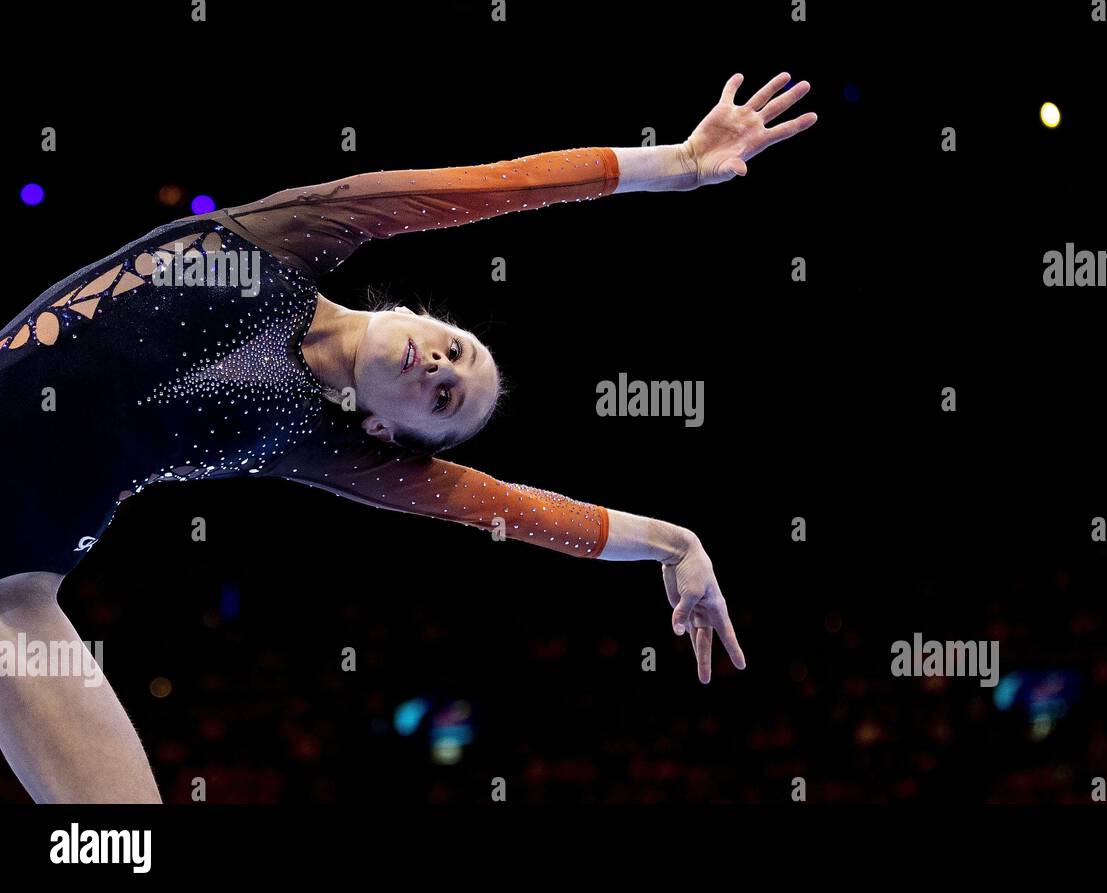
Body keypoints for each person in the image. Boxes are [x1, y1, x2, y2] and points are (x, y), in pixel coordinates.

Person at [0, 72, 816, 802]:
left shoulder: (319, 440)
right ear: (424, 315)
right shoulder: (289, 240)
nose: (439, 366)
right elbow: (494, 187)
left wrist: (676, 544)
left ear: (387, 428)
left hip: (12, 588)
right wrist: (673, 163)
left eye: (445, 397)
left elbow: (514, 508)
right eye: (456, 351)